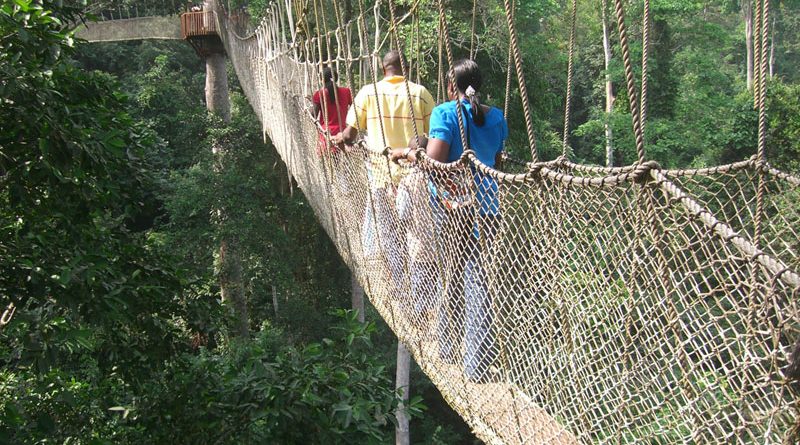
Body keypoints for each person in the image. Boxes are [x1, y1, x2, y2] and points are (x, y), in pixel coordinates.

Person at [390, 59, 508, 383]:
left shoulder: (445, 113)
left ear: (448, 86)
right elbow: (495, 162)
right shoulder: (496, 117)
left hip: (455, 209)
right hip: (488, 209)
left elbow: (437, 162)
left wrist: (409, 153)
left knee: (456, 278)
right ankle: (470, 361)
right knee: (477, 279)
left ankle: (453, 353)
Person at [333, 51, 434, 289]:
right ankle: (422, 297)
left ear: (382, 68)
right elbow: (432, 136)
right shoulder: (420, 94)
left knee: (390, 237)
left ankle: (400, 291)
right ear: (405, 68)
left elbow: (350, 135)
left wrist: (340, 138)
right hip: (414, 179)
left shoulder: (368, 93)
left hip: (381, 178)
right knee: (418, 238)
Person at [312, 67, 352, 154]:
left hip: (326, 134)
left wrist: (313, 103)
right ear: (336, 78)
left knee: (325, 164)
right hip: (342, 134)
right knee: (338, 163)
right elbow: (354, 109)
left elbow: (313, 115)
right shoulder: (346, 91)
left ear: (322, 80)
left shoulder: (319, 94)